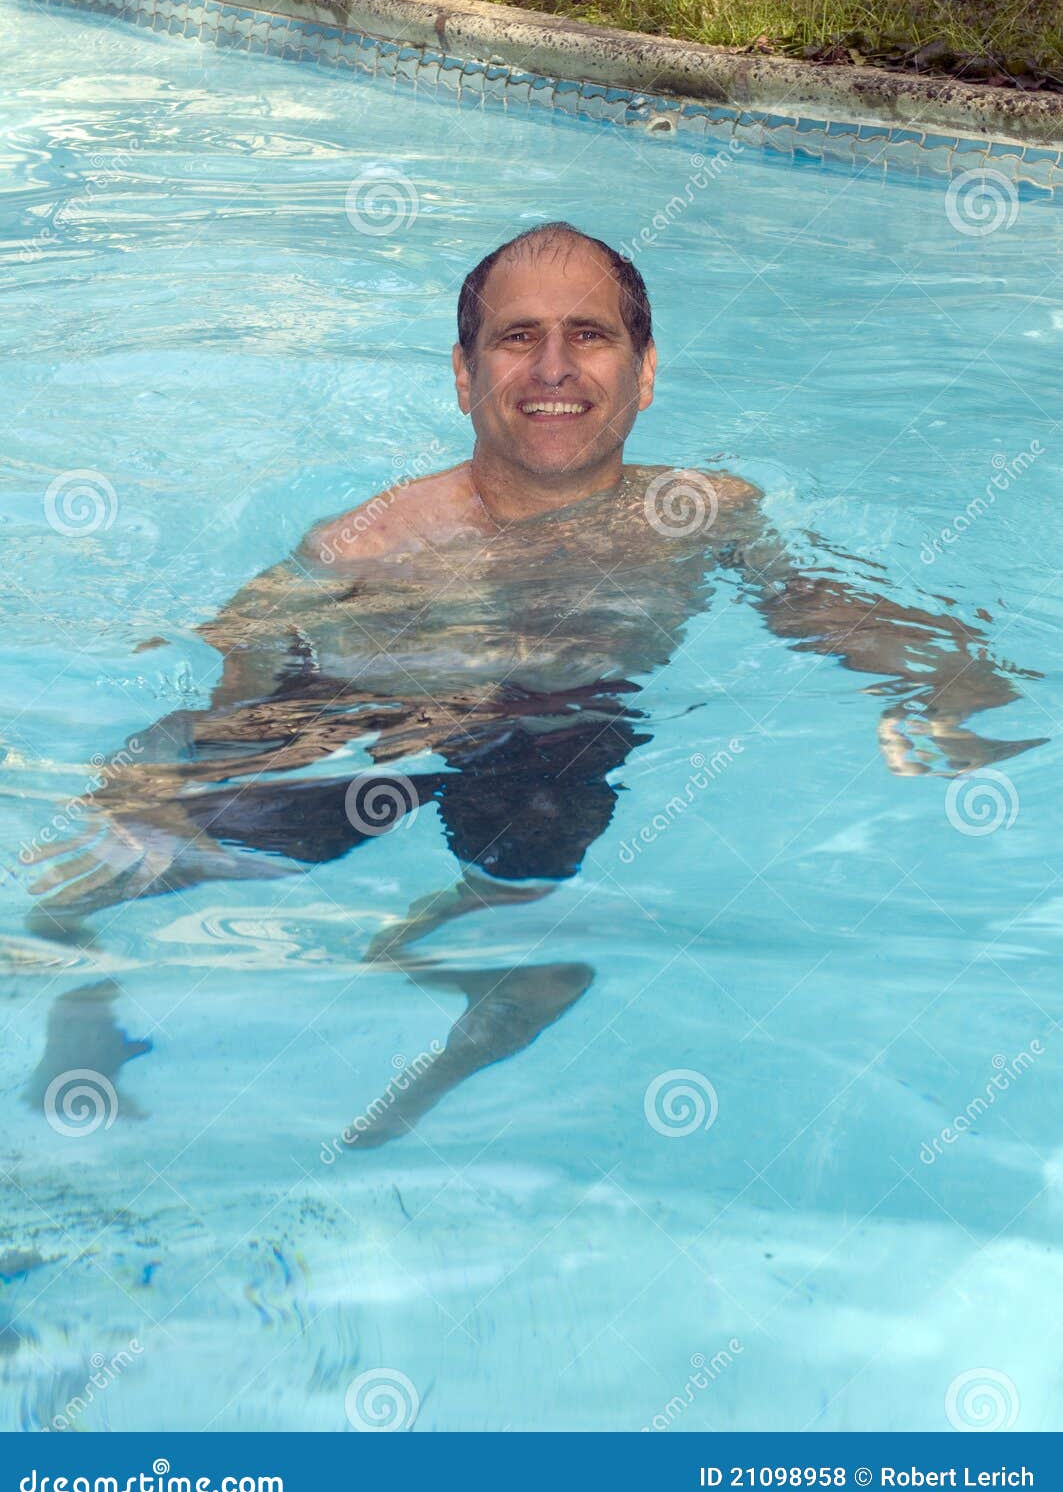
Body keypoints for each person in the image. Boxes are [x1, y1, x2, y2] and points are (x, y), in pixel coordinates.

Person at [26, 222, 1044, 1145]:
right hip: (360, 716)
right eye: (517, 338)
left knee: (556, 727)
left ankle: (503, 955)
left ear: (644, 373)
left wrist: (944, 676)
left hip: (541, 738)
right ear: (464, 377)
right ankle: (81, 1000)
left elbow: (811, 601)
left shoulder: (704, 511)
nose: (553, 368)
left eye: (588, 336)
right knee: (134, 862)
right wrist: (181, 772)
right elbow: (241, 650)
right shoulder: (370, 542)